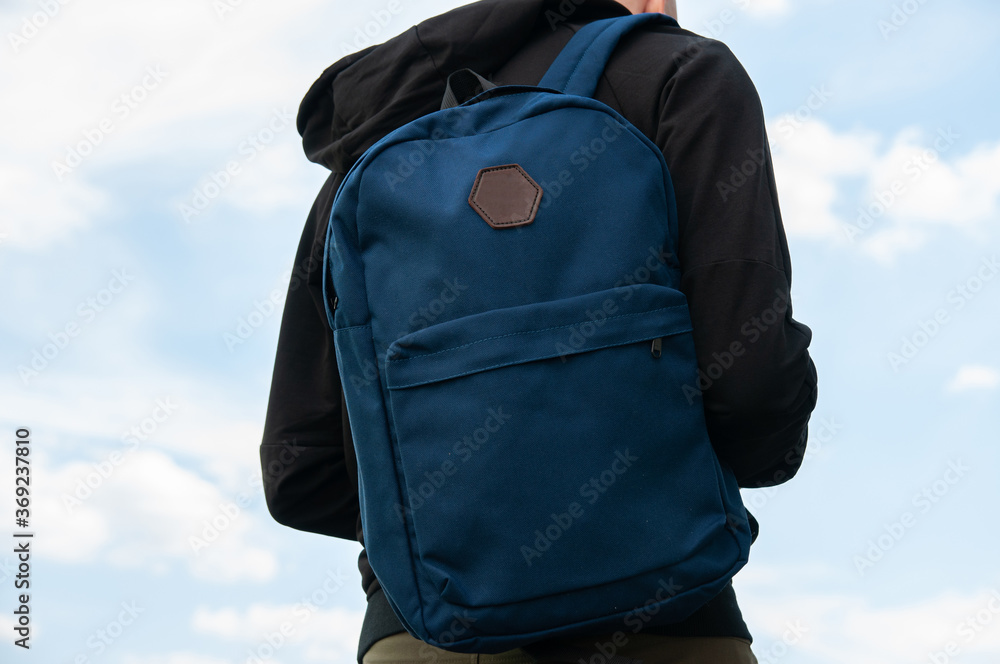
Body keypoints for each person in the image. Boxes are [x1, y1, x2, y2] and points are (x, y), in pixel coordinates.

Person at [259, 0, 818, 662]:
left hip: (424, 631)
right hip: (663, 613)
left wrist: (450, 523)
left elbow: (298, 468)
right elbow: (750, 381)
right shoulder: (681, 73)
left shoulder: (374, 136)